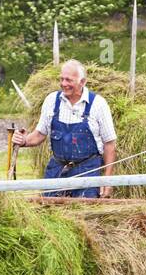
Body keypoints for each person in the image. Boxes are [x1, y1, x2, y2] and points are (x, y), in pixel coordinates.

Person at [12, 59, 117, 198]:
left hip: (88, 172)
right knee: (49, 214)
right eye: (61, 79)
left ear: (82, 82)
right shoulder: (51, 101)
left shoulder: (98, 104)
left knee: (83, 215)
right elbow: (39, 134)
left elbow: (109, 144)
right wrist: (23, 140)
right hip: (57, 170)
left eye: (69, 80)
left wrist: (107, 181)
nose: (63, 84)